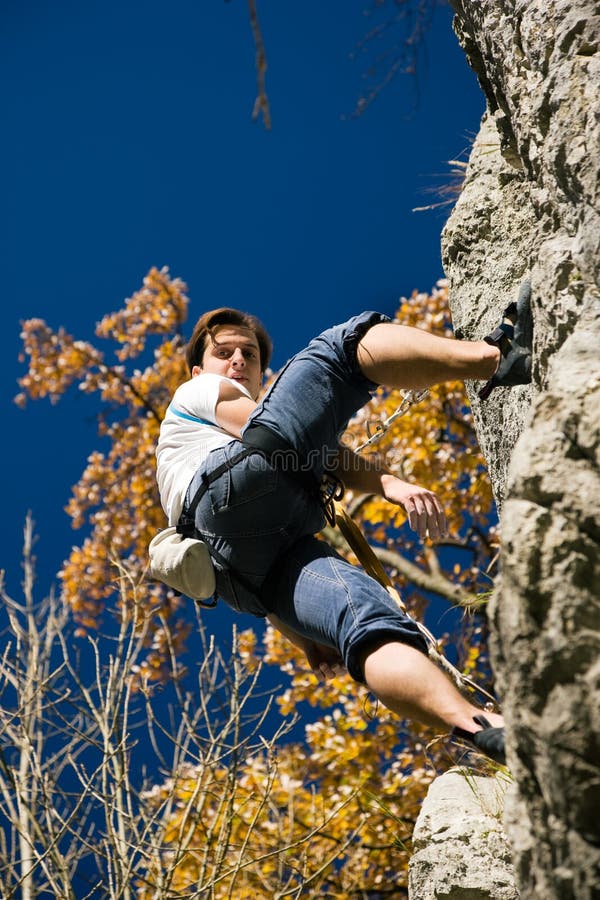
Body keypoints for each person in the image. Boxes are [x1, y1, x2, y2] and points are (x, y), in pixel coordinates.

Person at [156, 288, 533, 766]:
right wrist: (389, 483)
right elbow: (277, 437)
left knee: (371, 627)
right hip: (233, 487)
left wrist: (305, 640)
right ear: (198, 370)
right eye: (224, 352)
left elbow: (254, 552)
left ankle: (480, 727)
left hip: (244, 573)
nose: (238, 361)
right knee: (341, 349)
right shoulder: (198, 393)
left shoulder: (190, 446)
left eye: (249, 354)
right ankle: (497, 356)